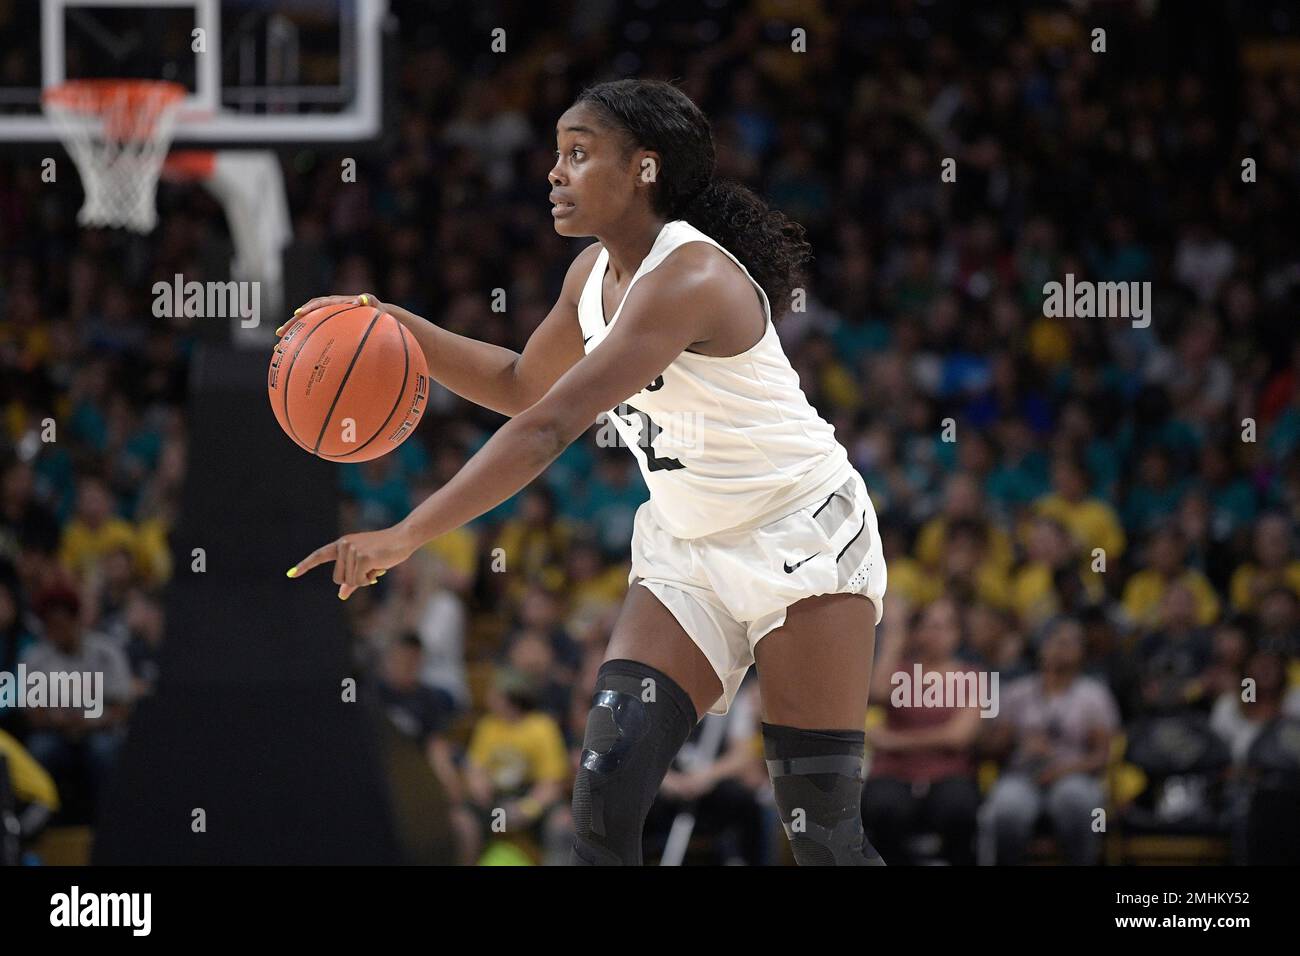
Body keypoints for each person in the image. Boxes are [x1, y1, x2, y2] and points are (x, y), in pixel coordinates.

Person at [283, 78, 888, 865]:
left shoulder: (690, 277)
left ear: (644, 168)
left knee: (823, 839)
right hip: (688, 549)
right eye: (556, 154)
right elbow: (520, 387)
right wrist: (398, 329)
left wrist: (406, 534)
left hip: (801, 534)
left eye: (578, 153)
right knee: (602, 805)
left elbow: (546, 430)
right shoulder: (590, 279)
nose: (554, 173)